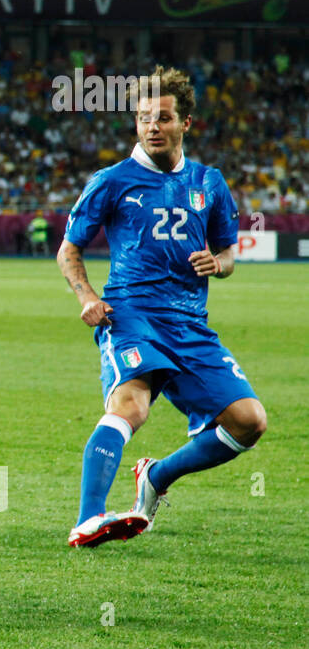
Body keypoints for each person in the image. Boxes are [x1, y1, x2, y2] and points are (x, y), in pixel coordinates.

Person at [58, 66, 267, 548]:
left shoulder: (208, 183)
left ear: (186, 123)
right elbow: (69, 249)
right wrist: (88, 297)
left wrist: (219, 262)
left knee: (249, 421)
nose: (152, 126)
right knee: (131, 407)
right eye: (144, 117)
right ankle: (89, 518)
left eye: (163, 117)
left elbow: (229, 254)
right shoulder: (112, 181)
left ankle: (155, 478)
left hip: (190, 323)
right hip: (131, 314)